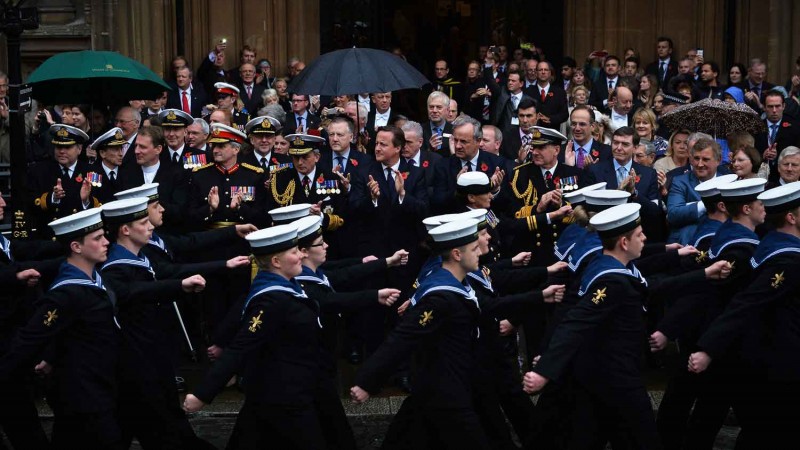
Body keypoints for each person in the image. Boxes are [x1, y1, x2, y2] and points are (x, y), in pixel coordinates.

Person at [523, 203, 661, 448]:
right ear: (624, 243)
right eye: (640, 235)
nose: (645, 238)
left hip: (604, 375)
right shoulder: (611, 280)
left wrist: (701, 274)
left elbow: (650, 284)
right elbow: (576, 322)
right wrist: (545, 370)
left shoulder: (606, 264)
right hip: (616, 377)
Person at [183, 223, 329, 449]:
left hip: (283, 392)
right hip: (283, 397)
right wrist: (202, 394)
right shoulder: (271, 300)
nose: (302, 255)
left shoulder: (286, 286)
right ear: (276, 262)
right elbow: (240, 348)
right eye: (294, 252)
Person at [351, 218, 492, 450]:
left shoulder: (457, 284)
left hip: (445, 386)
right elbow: (403, 337)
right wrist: (367, 380)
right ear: (457, 254)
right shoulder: (440, 297)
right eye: (474, 248)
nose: (480, 252)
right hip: (445, 392)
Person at [0, 208, 124, 449]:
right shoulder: (65, 293)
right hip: (83, 393)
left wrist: (50, 355)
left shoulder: (93, 279)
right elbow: (29, 339)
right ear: (76, 247)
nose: (106, 242)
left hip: (101, 385)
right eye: (98, 238)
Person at [688, 181, 800, 448]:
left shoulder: (773, 242)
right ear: (791, 217)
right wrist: (708, 348)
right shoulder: (786, 259)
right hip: (780, 358)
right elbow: (747, 302)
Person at [100, 197, 211, 449]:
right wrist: (180, 286)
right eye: (143, 222)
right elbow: (133, 292)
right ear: (125, 230)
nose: (150, 225)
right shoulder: (116, 267)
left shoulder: (139, 257)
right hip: (138, 364)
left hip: (152, 358)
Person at [28, 124, 100, 237]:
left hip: (81, 236)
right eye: (58, 147)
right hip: (51, 237)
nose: (61, 151)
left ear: (79, 149)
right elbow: (30, 203)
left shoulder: (92, 172)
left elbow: (100, 206)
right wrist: (52, 198)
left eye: (67, 147)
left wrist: (86, 201)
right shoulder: (40, 170)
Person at [666, 137, 723, 244]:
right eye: (696, 158)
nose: (700, 164)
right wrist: (706, 204)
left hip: (721, 238)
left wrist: (689, 206)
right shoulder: (680, 182)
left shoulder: (727, 182)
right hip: (686, 241)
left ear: (718, 160)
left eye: (705, 159)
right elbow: (674, 214)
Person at [88, 127, 126, 204]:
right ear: (102, 153)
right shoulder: (94, 174)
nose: (121, 154)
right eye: (116, 149)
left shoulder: (127, 171)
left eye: (121, 149)